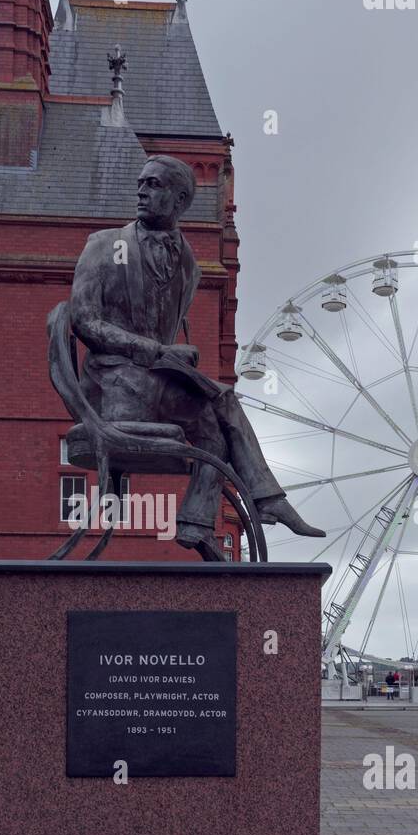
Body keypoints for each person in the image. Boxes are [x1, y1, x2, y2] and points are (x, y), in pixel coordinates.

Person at [69, 155, 325, 561]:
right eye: (141, 183)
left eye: (153, 185)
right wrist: (155, 350)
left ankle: (197, 525)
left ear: (180, 199)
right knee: (224, 400)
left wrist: (173, 359)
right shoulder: (103, 244)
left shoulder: (188, 264)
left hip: (157, 381)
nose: (141, 191)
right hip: (112, 382)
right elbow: (84, 321)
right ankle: (268, 499)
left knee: (214, 430)